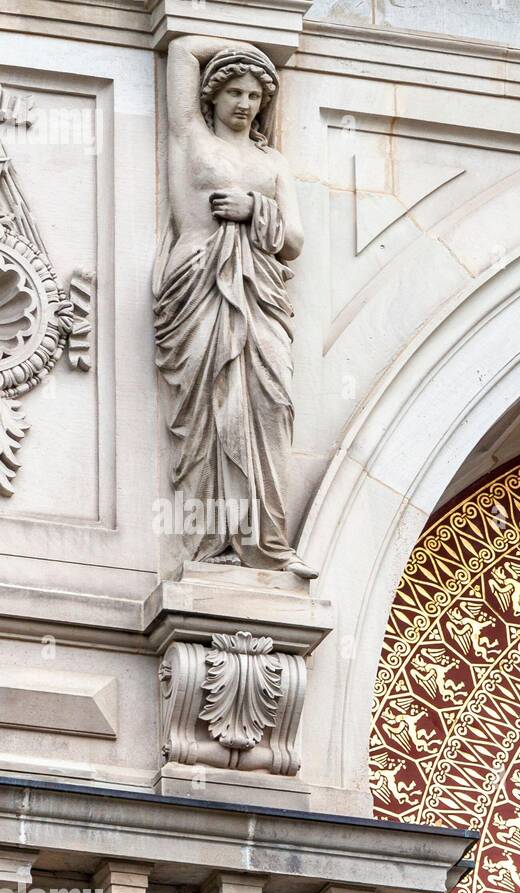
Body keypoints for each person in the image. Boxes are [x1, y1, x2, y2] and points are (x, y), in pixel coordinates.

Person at [154, 36, 316, 577]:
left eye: (254, 94)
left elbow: (293, 238)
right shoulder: (191, 140)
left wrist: (255, 210)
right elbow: (182, 54)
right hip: (199, 287)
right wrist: (250, 34)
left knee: (268, 404)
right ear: (213, 97)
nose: (245, 103)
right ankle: (211, 537)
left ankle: (265, 537)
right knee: (208, 410)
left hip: (258, 293)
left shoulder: (273, 166)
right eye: (234, 91)